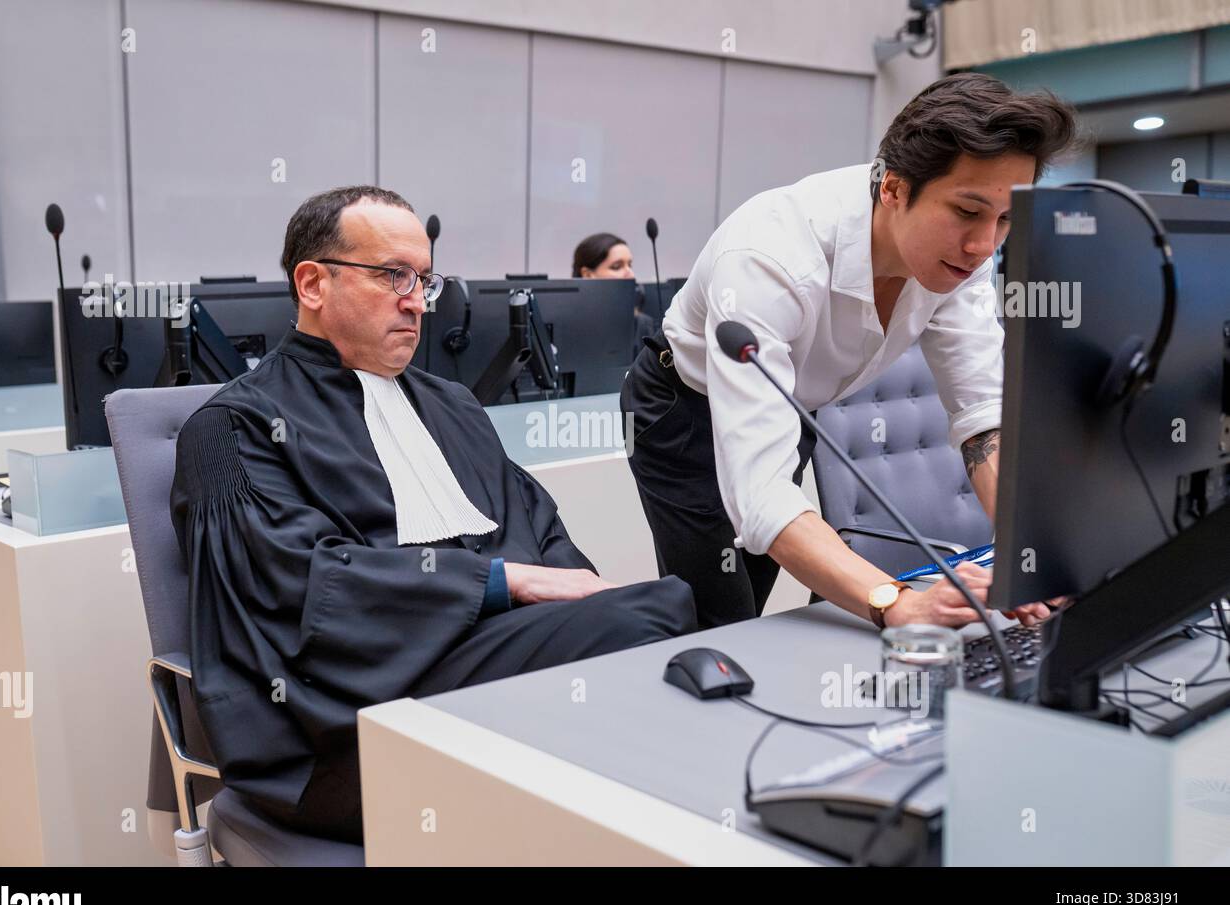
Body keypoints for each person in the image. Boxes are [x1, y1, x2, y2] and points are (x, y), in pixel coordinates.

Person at [171, 186, 696, 843]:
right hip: (345, 730)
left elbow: (539, 532)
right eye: (392, 275)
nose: (416, 300)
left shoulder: (451, 405)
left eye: (424, 279)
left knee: (655, 616)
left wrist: (565, 596)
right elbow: (301, 587)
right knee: (648, 622)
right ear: (312, 283)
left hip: (477, 670)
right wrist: (500, 584)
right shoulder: (231, 426)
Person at [621, 73, 1077, 631]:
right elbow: (760, 494)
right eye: (966, 212)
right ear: (893, 188)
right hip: (681, 409)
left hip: (794, 402)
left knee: (755, 596)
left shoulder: (963, 261)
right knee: (723, 621)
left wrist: (1028, 555)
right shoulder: (770, 258)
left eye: (1005, 220)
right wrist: (897, 603)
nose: (984, 246)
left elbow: (983, 418)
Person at [572, 232, 655, 357]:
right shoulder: (568, 325)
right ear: (588, 275)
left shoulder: (641, 324)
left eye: (630, 265)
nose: (631, 274)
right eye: (617, 267)